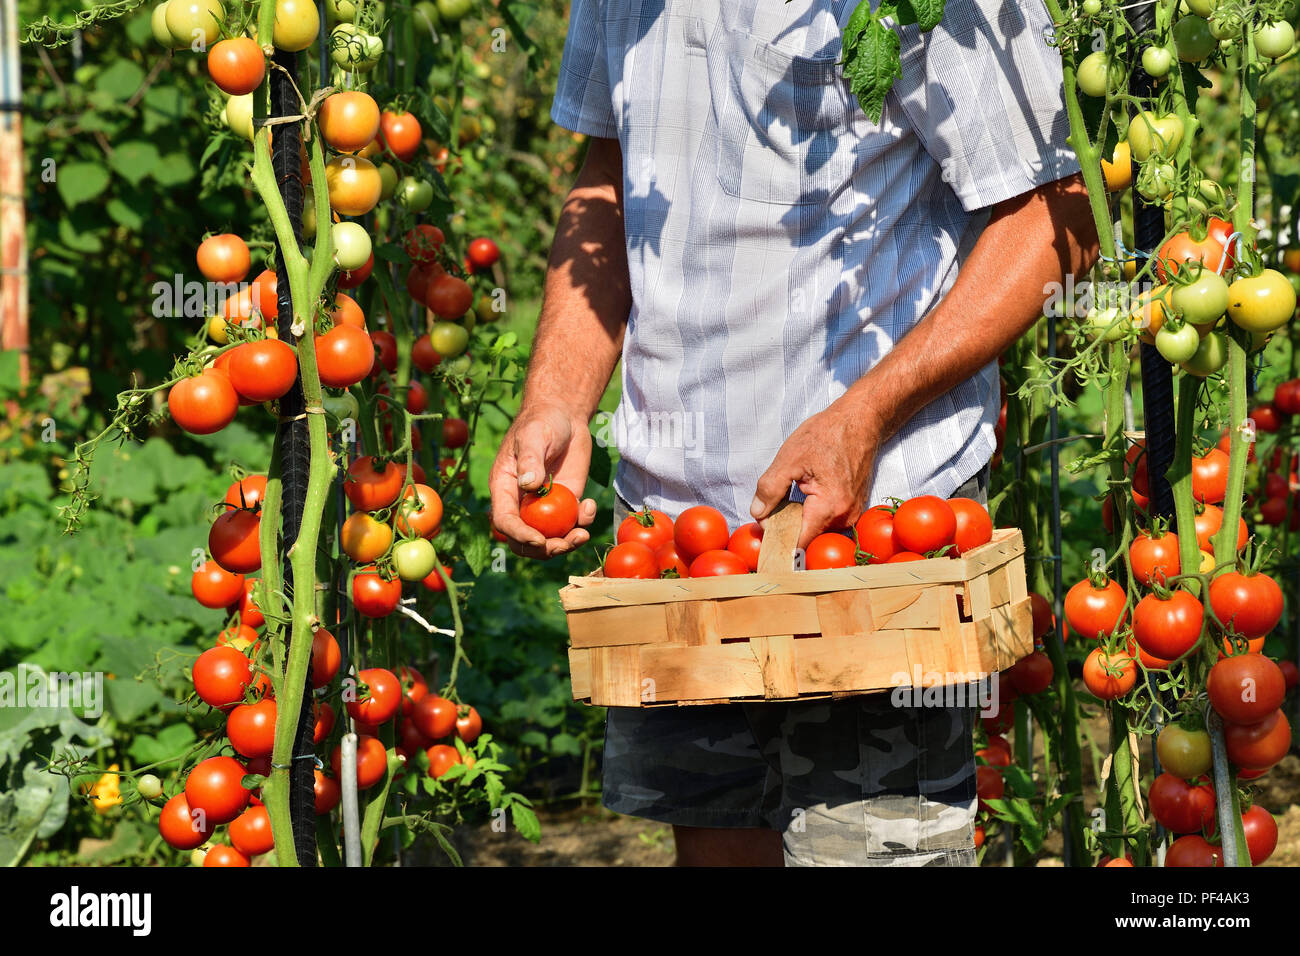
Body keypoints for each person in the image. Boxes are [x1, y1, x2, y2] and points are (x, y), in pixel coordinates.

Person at [489, 0, 1098, 866]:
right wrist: (555, 397)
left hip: (876, 537)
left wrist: (865, 415)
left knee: (874, 850)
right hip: (676, 551)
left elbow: (1059, 215)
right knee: (717, 844)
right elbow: (611, 175)